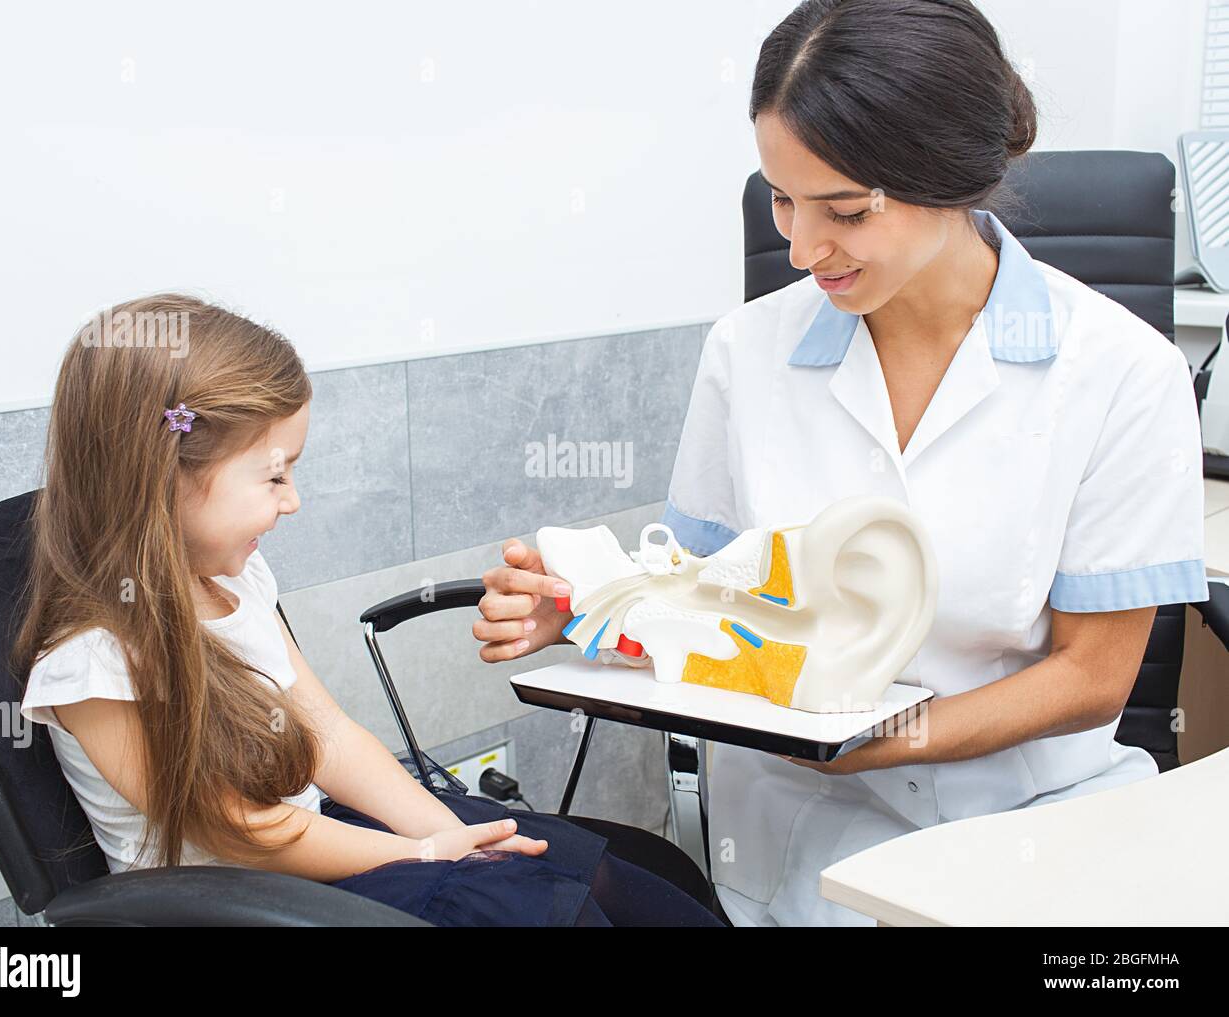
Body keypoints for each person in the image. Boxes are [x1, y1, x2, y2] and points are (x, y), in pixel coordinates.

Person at [473, 0, 1208, 926]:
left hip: (1030, 823)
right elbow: (700, 594)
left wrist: (893, 737)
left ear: (953, 180)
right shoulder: (748, 351)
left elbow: (1093, 675)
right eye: (782, 198)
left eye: (846, 211)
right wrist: (588, 612)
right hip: (795, 831)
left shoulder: (1120, 372)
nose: (799, 248)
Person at [13, 294, 723, 927]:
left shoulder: (238, 581)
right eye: (273, 475)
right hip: (239, 899)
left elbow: (327, 734)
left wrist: (454, 836)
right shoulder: (91, 664)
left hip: (312, 843)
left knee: (602, 874)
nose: (293, 499)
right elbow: (237, 831)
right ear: (162, 475)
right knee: (537, 908)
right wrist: (421, 852)